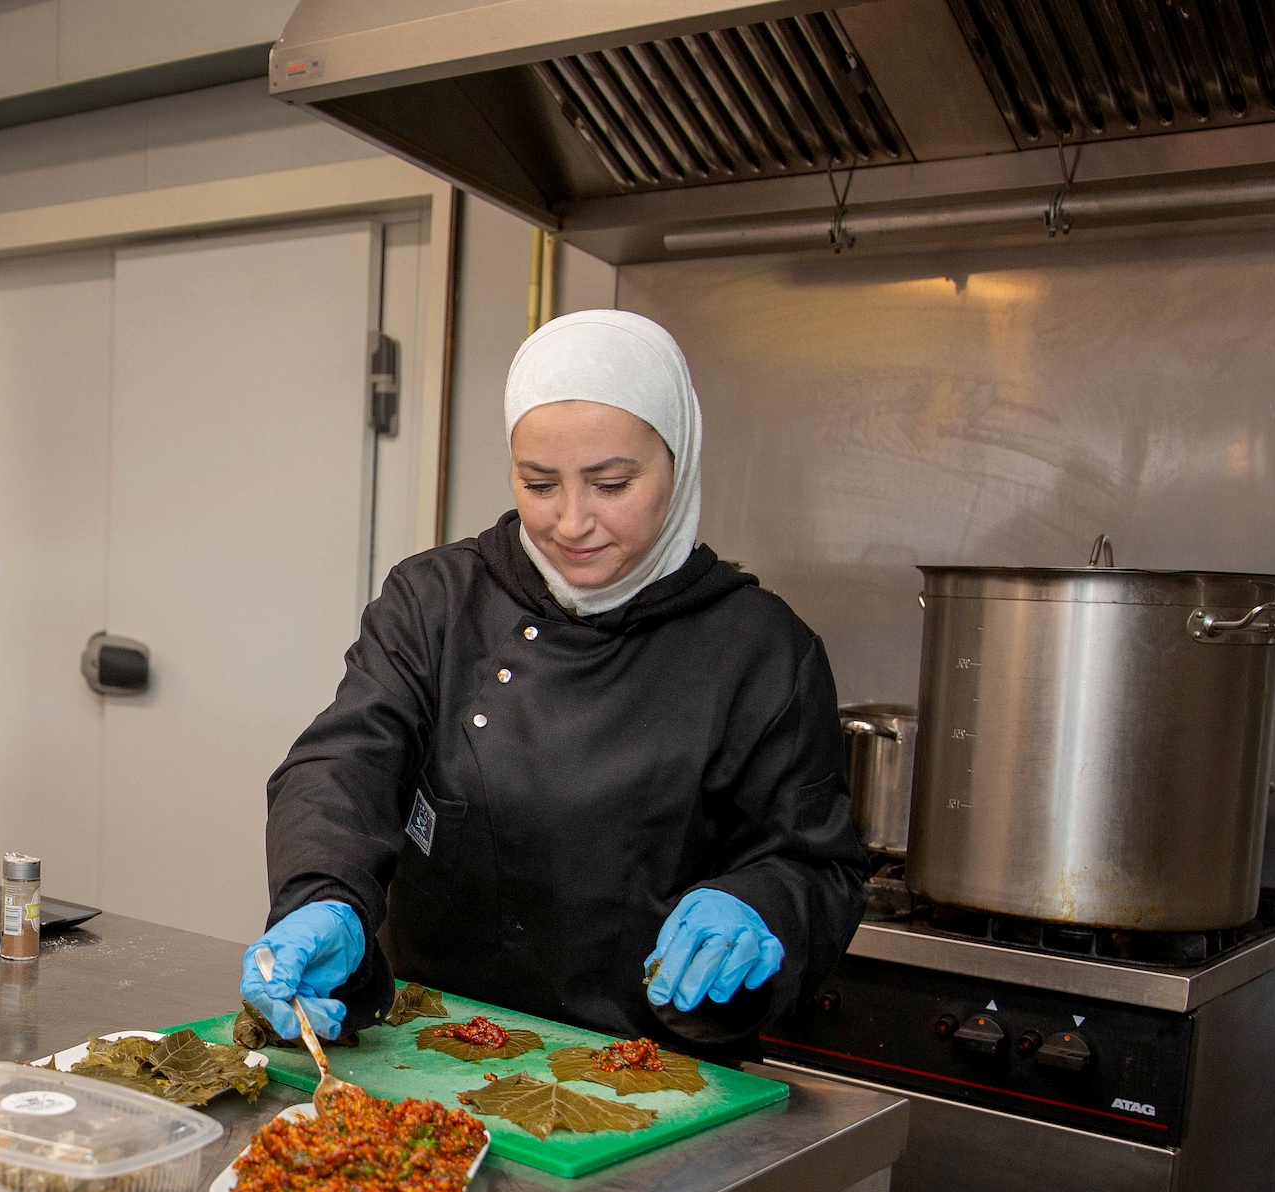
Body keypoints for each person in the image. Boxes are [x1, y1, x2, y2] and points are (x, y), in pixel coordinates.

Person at [242, 309, 864, 1055]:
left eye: (612, 483)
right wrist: (323, 894)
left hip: (652, 1071)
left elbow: (816, 866)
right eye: (540, 484)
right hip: (430, 1044)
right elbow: (345, 763)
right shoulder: (438, 601)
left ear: (680, 460)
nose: (572, 523)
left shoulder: (762, 650)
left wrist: (761, 907)